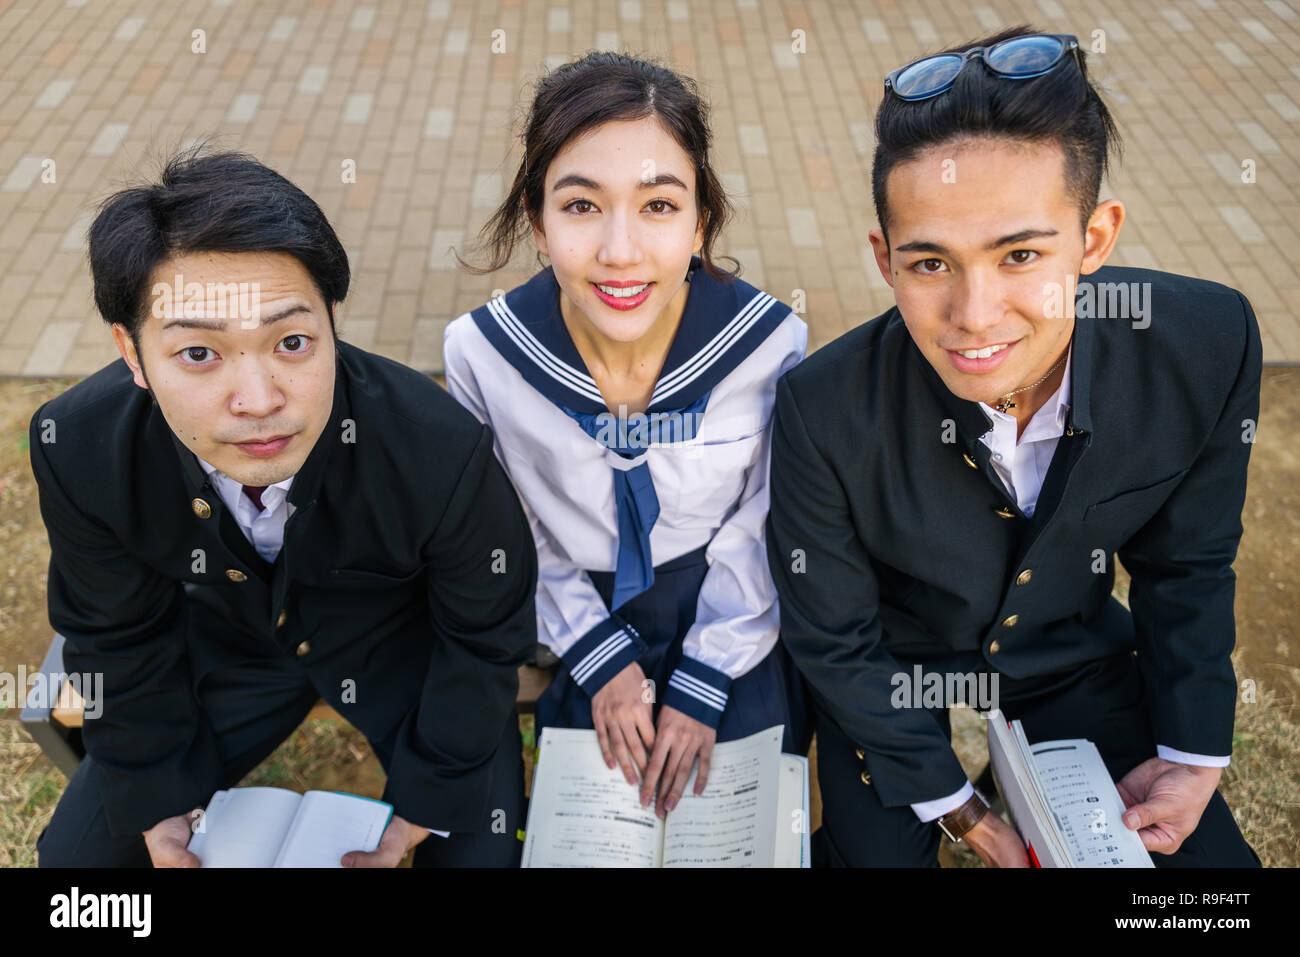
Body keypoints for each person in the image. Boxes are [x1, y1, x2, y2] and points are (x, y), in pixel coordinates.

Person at [766, 27, 1262, 867]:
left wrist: (1190, 754)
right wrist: (962, 809)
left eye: (1021, 254)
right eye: (930, 264)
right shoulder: (821, 406)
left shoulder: (1208, 344)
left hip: (1071, 655)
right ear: (885, 259)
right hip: (898, 664)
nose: (975, 314)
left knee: (1208, 896)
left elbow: (1189, 565)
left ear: (1095, 240)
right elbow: (837, 641)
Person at [32, 147, 538, 867]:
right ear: (133, 354)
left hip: (399, 652)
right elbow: (114, 635)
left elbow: (486, 634)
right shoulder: (80, 445)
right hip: (220, 652)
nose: (261, 400)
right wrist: (154, 790)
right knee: (75, 869)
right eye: (199, 355)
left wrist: (432, 796)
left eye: (292, 341)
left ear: (331, 320)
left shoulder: (437, 446)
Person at [445, 52, 811, 819]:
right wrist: (598, 656)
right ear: (537, 223)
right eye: (580, 206)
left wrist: (709, 673)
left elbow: (766, 518)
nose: (619, 252)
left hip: (731, 604)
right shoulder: (484, 354)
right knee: (594, 818)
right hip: (574, 608)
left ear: (701, 220)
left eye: (658, 205)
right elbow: (511, 527)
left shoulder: (769, 344)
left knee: (736, 813)